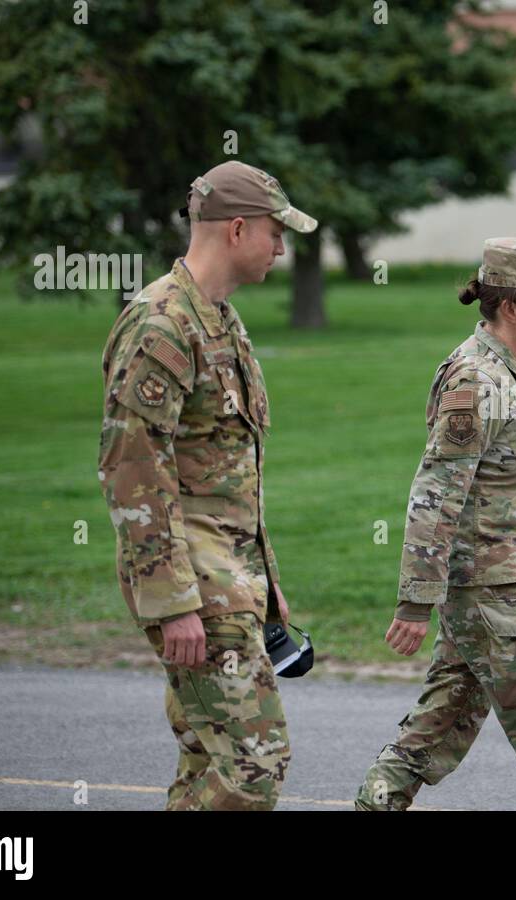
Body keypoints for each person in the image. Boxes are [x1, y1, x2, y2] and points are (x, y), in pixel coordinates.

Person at [355, 238, 516, 811]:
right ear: (512, 307)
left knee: (442, 721)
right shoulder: (475, 381)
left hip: (504, 585)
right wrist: (416, 601)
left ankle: (377, 802)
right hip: (496, 595)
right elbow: (436, 493)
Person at [97, 160, 317, 810]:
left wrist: (266, 596)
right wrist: (173, 604)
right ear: (239, 229)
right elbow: (132, 470)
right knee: (254, 766)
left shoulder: (218, 319)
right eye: (276, 233)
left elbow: (226, 471)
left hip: (229, 578)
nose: (282, 248)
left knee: (205, 762)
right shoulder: (162, 325)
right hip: (195, 585)